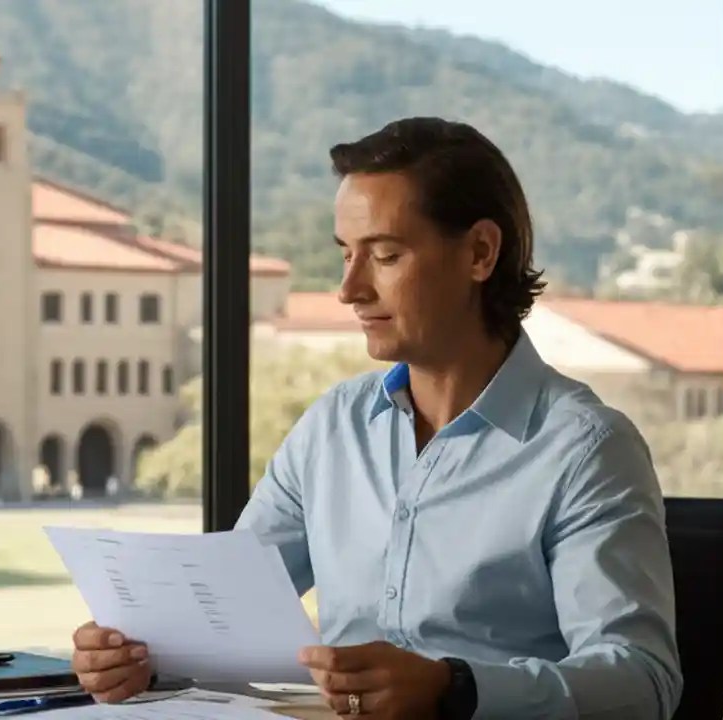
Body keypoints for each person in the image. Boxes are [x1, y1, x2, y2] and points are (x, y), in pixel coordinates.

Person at [70, 118, 682, 719]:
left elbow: (641, 679)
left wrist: (455, 689)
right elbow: (221, 613)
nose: (350, 289)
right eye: (346, 255)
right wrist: (139, 656)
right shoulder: (332, 426)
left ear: (479, 252)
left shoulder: (586, 449)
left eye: (385, 255)